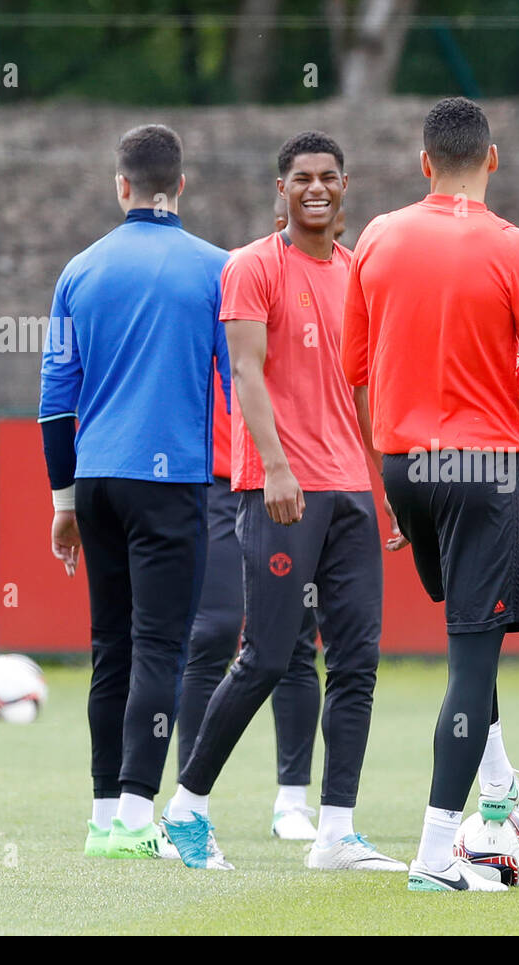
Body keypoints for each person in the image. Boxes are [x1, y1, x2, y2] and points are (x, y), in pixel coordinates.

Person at [341, 97, 519, 892]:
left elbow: (355, 365)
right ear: (494, 160)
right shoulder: (515, 247)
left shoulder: (375, 235)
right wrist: (492, 371)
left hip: (407, 468)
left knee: (467, 637)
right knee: (473, 655)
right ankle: (436, 853)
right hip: (483, 468)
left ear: (423, 162)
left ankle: (499, 781)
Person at [162, 131, 404, 872]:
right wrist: (274, 466)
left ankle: (335, 832)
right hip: (281, 490)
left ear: (345, 184)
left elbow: (364, 389)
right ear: (282, 188)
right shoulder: (250, 267)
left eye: (329, 177)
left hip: (352, 492)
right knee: (266, 656)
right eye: (302, 178)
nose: (317, 189)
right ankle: (186, 810)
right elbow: (246, 372)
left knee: (357, 661)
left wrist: (385, 487)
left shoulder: (360, 271)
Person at [39, 124, 232, 859]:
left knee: (109, 646)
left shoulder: (79, 271)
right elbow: (236, 384)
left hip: (94, 482)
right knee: (161, 647)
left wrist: (62, 502)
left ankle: (100, 817)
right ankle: (133, 815)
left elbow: (57, 397)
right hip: (171, 480)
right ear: (179, 186)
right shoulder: (216, 268)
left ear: (121, 186)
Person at [174, 192, 352, 844]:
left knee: (298, 642)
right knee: (220, 633)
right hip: (228, 480)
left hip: (302, 480)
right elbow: (230, 375)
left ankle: (292, 801)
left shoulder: (330, 282)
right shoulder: (242, 278)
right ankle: (188, 797)